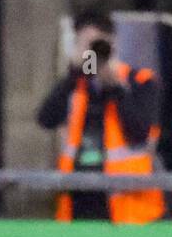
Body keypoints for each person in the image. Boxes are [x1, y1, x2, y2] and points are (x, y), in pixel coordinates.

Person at [36, 12, 163, 224]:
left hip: (126, 205)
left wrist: (116, 88)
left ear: (113, 43)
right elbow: (46, 119)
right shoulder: (75, 84)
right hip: (78, 197)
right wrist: (73, 75)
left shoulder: (140, 81)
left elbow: (139, 132)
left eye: (97, 46)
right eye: (85, 46)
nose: (93, 55)